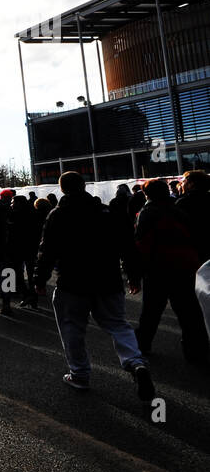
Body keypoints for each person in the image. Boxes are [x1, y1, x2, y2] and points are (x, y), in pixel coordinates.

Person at [34, 171, 155, 401]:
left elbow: (47, 251)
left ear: (62, 189)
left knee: (72, 328)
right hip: (108, 279)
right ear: (84, 186)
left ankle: (79, 374)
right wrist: (133, 276)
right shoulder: (106, 212)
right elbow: (127, 246)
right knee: (118, 324)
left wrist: (40, 280)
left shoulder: (57, 215)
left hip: (72, 282)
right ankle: (136, 363)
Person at [133, 177, 210, 364]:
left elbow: (141, 246)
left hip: (157, 269)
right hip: (184, 268)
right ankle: (196, 351)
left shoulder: (147, 212)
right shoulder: (178, 210)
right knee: (188, 312)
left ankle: (141, 346)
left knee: (151, 311)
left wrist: (135, 274)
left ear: (146, 194)